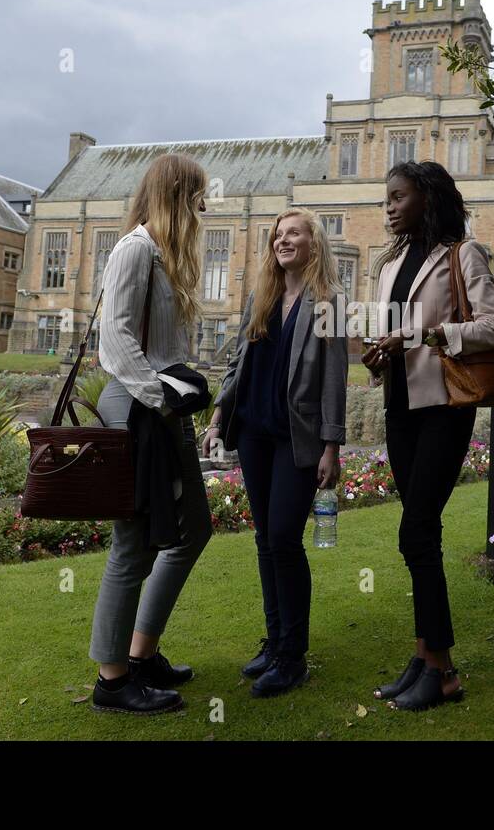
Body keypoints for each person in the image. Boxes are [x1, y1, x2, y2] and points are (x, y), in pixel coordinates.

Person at [362, 160, 494, 711]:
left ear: (428, 197)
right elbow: (393, 338)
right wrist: (380, 354)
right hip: (400, 407)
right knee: (419, 533)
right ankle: (424, 656)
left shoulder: (461, 253)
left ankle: (443, 671)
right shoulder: (390, 262)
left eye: (399, 196)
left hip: (445, 408)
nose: (390, 206)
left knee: (416, 532)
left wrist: (426, 334)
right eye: (387, 198)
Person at [87, 153, 214, 715]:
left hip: (163, 408)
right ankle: (113, 681)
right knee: (133, 543)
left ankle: (141, 654)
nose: (205, 207)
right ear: (177, 196)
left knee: (194, 529)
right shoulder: (135, 248)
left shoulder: (163, 255)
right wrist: (165, 398)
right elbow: (113, 340)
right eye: (199, 196)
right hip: (139, 407)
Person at [204, 208, 348, 697]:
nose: (283, 241)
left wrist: (332, 444)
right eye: (278, 235)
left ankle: (293, 656)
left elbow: (333, 379)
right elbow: (238, 362)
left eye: (294, 234)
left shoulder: (328, 301)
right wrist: (219, 417)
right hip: (254, 434)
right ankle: (273, 642)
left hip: (297, 438)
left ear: (314, 243)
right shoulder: (260, 297)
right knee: (265, 539)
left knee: (285, 539)